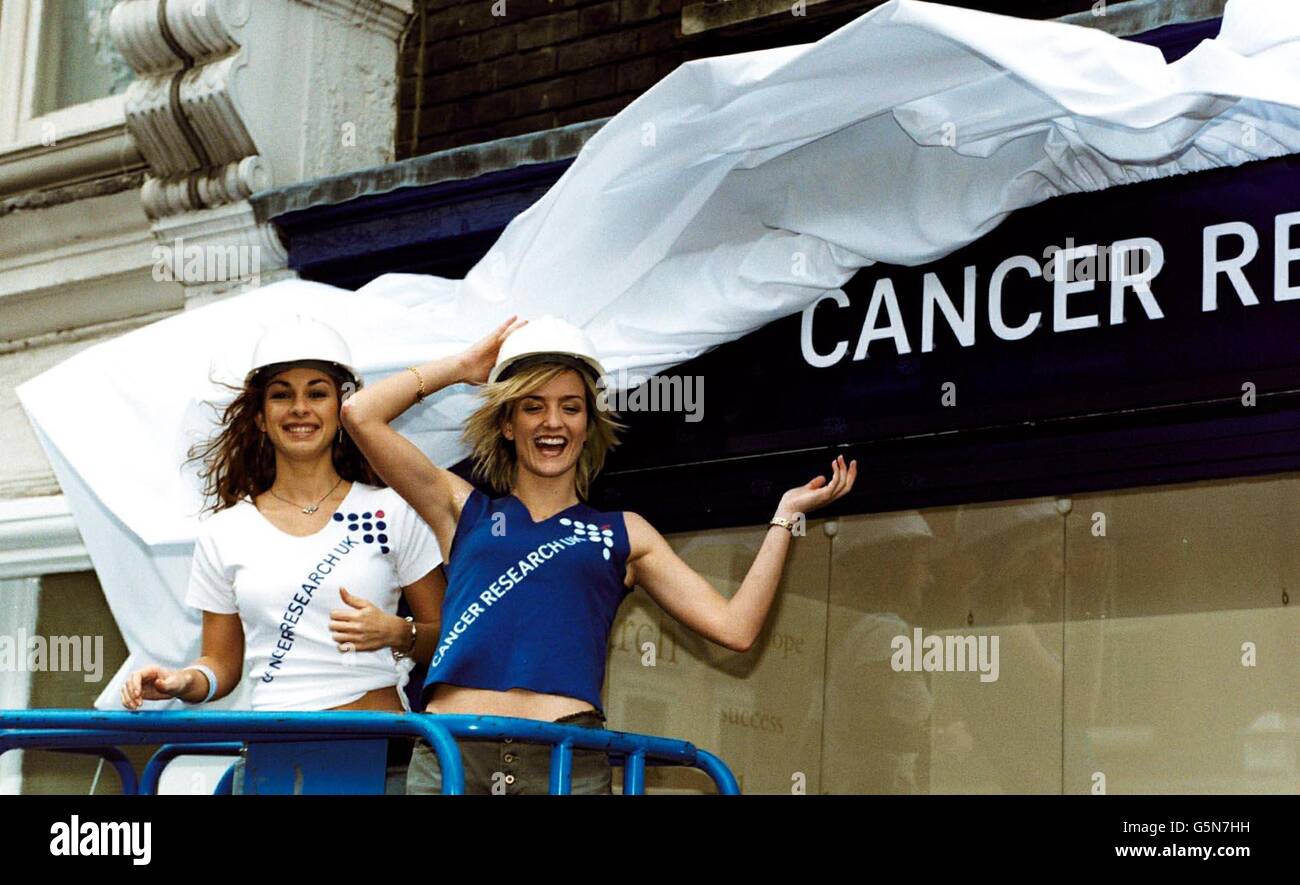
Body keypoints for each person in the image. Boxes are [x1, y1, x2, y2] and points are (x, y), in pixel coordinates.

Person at [341, 315, 857, 794]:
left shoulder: (624, 533)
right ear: (507, 423)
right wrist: (461, 367)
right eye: (533, 405)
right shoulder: (461, 509)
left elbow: (736, 628)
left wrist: (786, 516)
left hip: (568, 761)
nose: (553, 422)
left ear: (588, 425)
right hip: (453, 754)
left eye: (571, 407)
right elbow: (361, 414)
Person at [121, 316, 446, 792]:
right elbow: (222, 666)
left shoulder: (392, 509)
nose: (299, 409)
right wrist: (180, 682)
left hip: (382, 758)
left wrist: (397, 632)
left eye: (317, 393)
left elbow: (450, 641)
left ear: (344, 407)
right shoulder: (224, 532)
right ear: (259, 415)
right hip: (273, 763)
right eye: (281, 394)